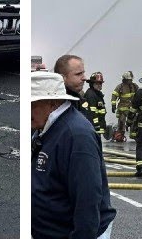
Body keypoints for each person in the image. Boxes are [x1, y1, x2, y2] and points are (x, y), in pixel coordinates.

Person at [31, 71, 116, 239]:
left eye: (32, 104)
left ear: (52, 103)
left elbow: (87, 199)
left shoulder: (76, 136)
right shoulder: (46, 127)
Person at [80, 72, 109, 141]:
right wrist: (96, 125)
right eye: (97, 83)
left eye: (100, 83)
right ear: (92, 84)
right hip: (93, 126)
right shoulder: (91, 95)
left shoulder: (98, 94)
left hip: (97, 126)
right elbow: (91, 112)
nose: (99, 85)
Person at [110, 71, 138, 142]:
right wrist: (113, 104)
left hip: (132, 109)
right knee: (121, 123)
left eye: (131, 80)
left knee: (134, 122)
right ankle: (119, 136)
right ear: (125, 79)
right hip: (122, 109)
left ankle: (134, 135)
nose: (130, 81)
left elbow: (139, 94)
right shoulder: (120, 87)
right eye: (129, 80)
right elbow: (114, 95)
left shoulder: (135, 86)